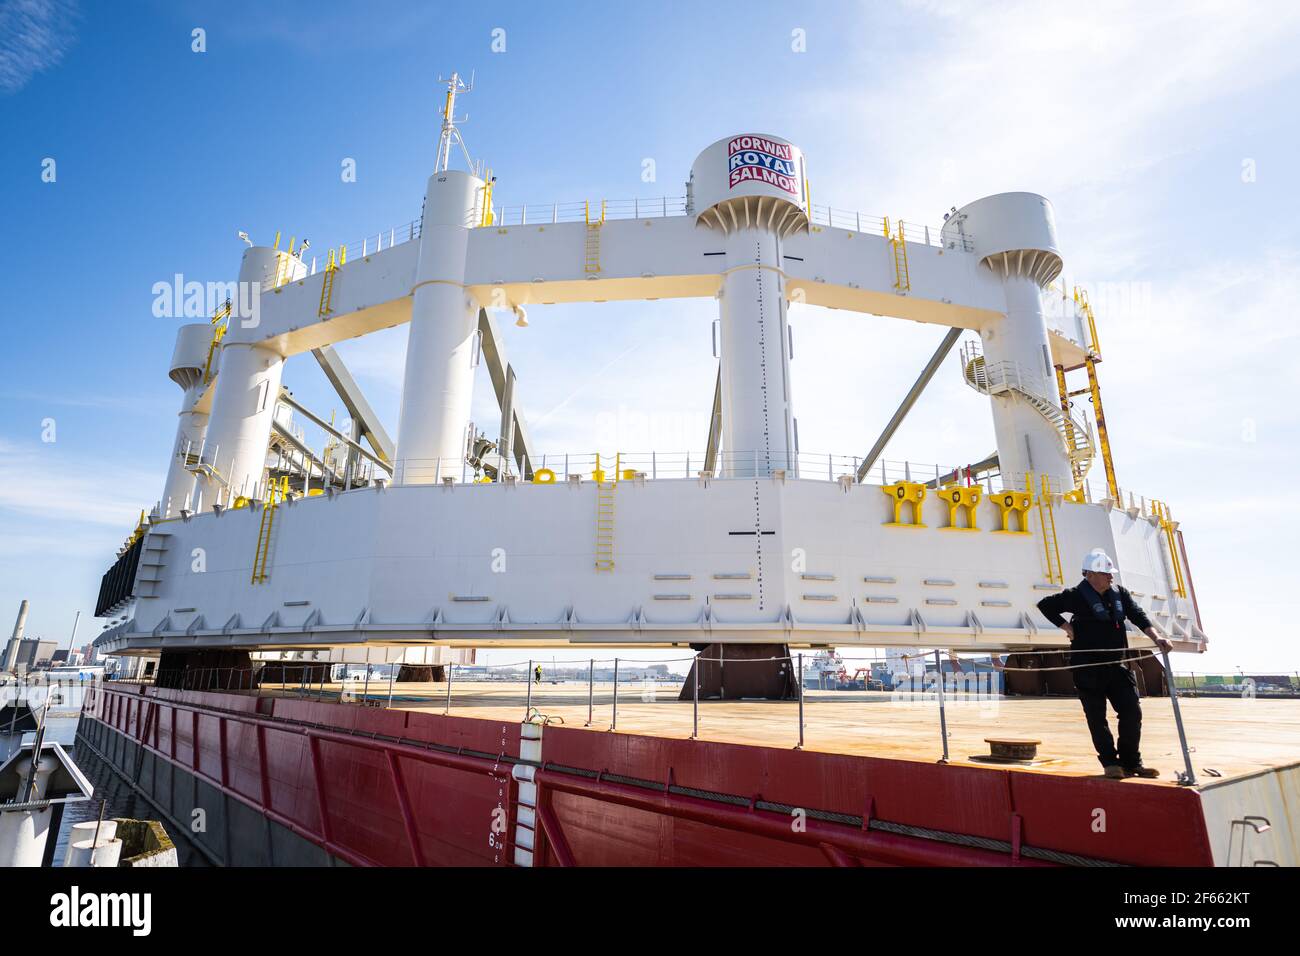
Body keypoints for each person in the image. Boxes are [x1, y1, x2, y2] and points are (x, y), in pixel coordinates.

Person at [1036, 548, 1173, 780]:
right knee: (1097, 718)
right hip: (1087, 667)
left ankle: (1131, 762)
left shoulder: (1120, 594)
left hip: (1116, 665)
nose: (1111, 577)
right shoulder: (1075, 596)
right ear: (1089, 575)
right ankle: (1110, 763)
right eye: (1105, 573)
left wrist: (1156, 637)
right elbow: (1045, 605)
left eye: (1111, 573)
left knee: (1132, 712)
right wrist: (1065, 627)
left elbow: (1138, 615)